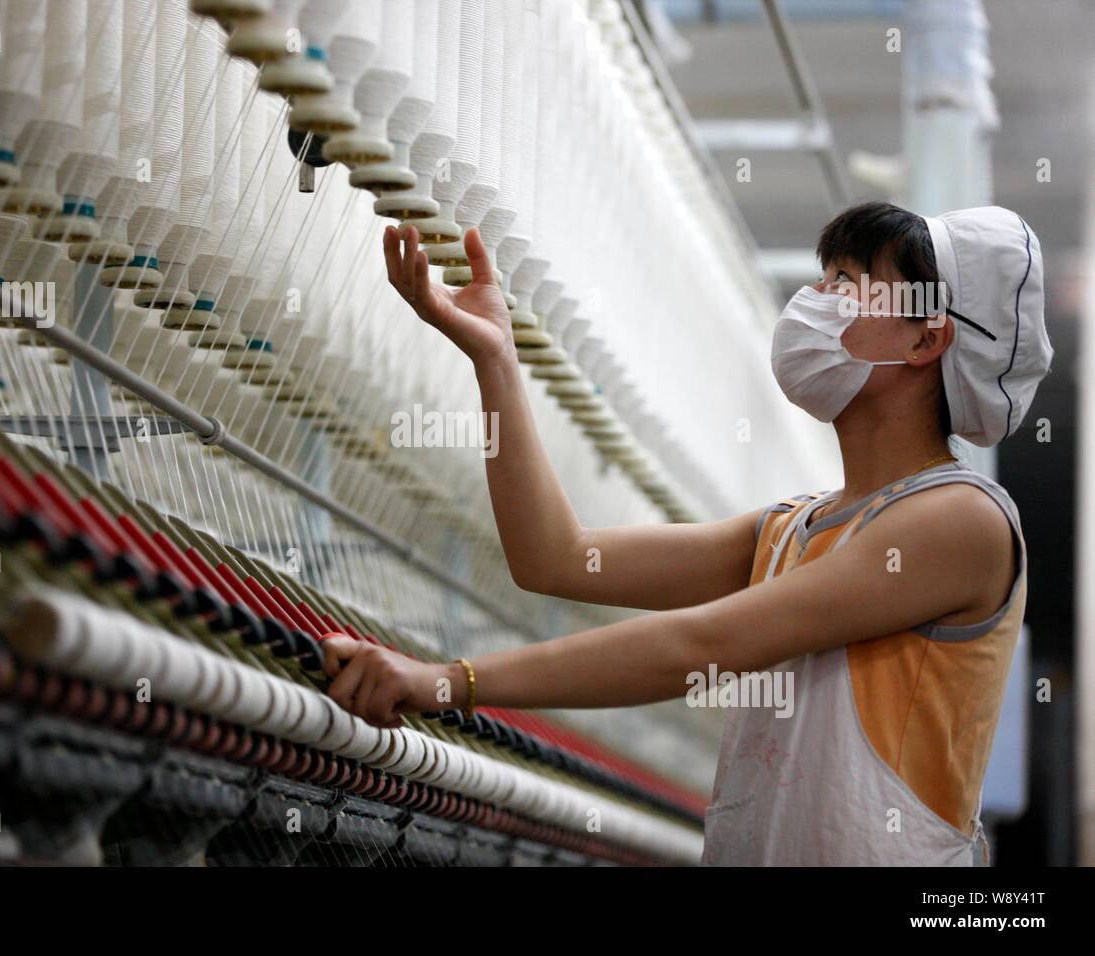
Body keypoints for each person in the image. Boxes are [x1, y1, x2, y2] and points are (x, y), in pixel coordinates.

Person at [319, 201, 1052, 866]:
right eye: (822, 276)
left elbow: (704, 646)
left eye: (849, 281)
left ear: (928, 340)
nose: (815, 301)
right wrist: (495, 361)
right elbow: (557, 559)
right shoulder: (793, 529)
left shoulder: (961, 522)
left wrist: (450, 681)